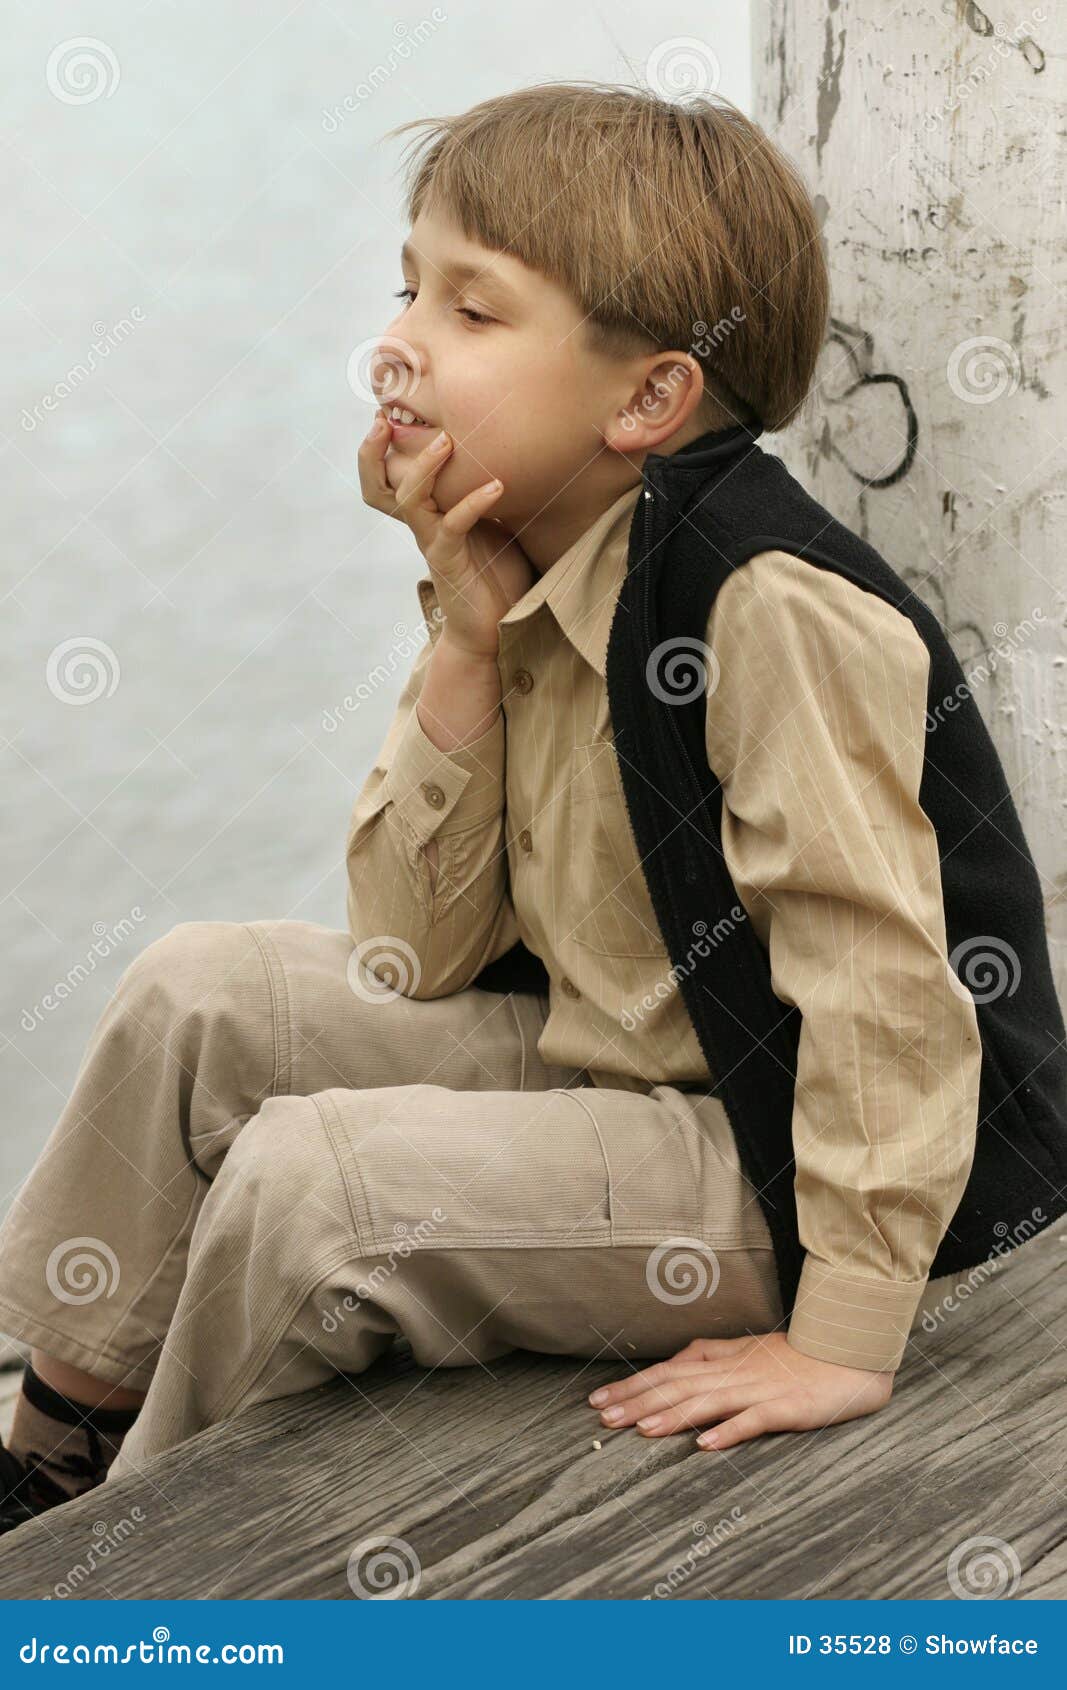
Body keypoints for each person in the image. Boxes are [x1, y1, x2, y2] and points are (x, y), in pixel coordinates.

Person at [1, 82, 1061, 1536]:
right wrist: (467, 643)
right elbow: (414, 952)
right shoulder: (539, 567)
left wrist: (845, 1331)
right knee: (199, 994)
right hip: (616, 1066)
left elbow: (887, 990)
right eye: (408, 289)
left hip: (799, 1167)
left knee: (317, 1183)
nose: (400, 345)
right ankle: (49, 1445)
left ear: (647, 400)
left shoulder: (761, 605)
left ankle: (126, 1554)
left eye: (473, 312)